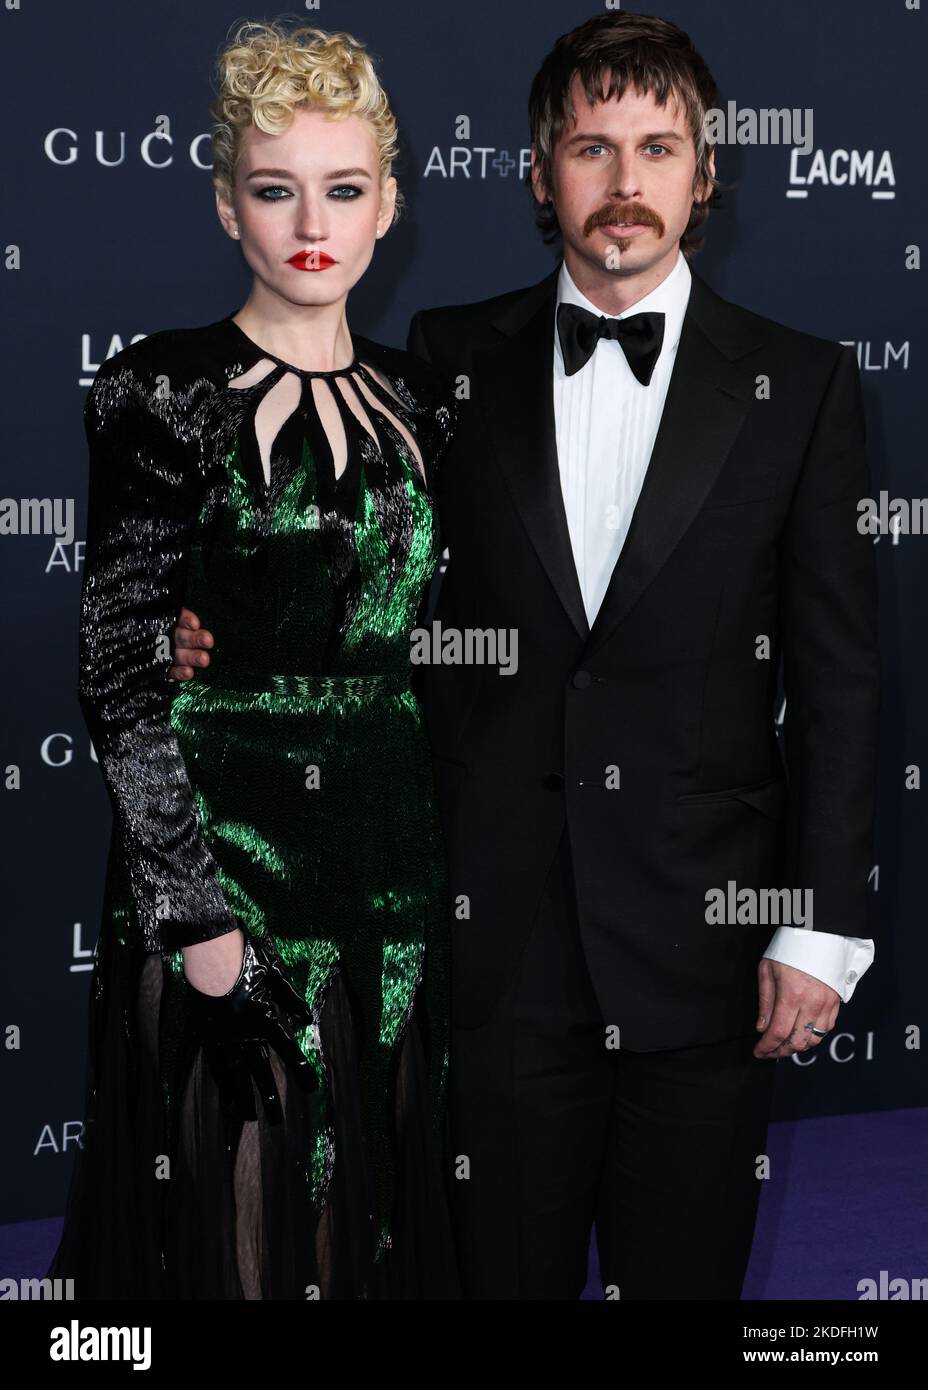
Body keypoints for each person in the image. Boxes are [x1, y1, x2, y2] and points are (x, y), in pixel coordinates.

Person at [171, 13, 880, 1299]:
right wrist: (206, 625)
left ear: (704, 173)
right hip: (488, 940)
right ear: (538, 172)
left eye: (657, 147)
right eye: (588, 148)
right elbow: (356, 568)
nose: (624, 184)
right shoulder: (444, 360)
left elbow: (837, 677)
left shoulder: (803, 383)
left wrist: (820, 926)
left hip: (705, 945)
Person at [48, 20, 460, 1300]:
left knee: (370, 1208)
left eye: (342, 190)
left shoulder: (429, 400)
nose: (310, 225)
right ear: (228, 204)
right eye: (275, 191)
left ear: (388, 203)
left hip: (390, 857)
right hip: (229, 851)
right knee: (235, 1213)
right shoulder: (162, 390)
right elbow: (120, 669)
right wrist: (197, 919)